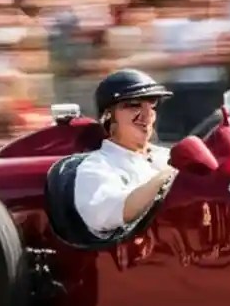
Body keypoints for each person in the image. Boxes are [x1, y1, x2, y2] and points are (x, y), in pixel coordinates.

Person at [73, 68, 178, 238]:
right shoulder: (96, 166)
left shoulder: (166, 156)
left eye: (152, 106)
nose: (147, 115)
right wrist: (169, 175)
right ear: (108, 116)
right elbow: (106, 213)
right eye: (134, 106)